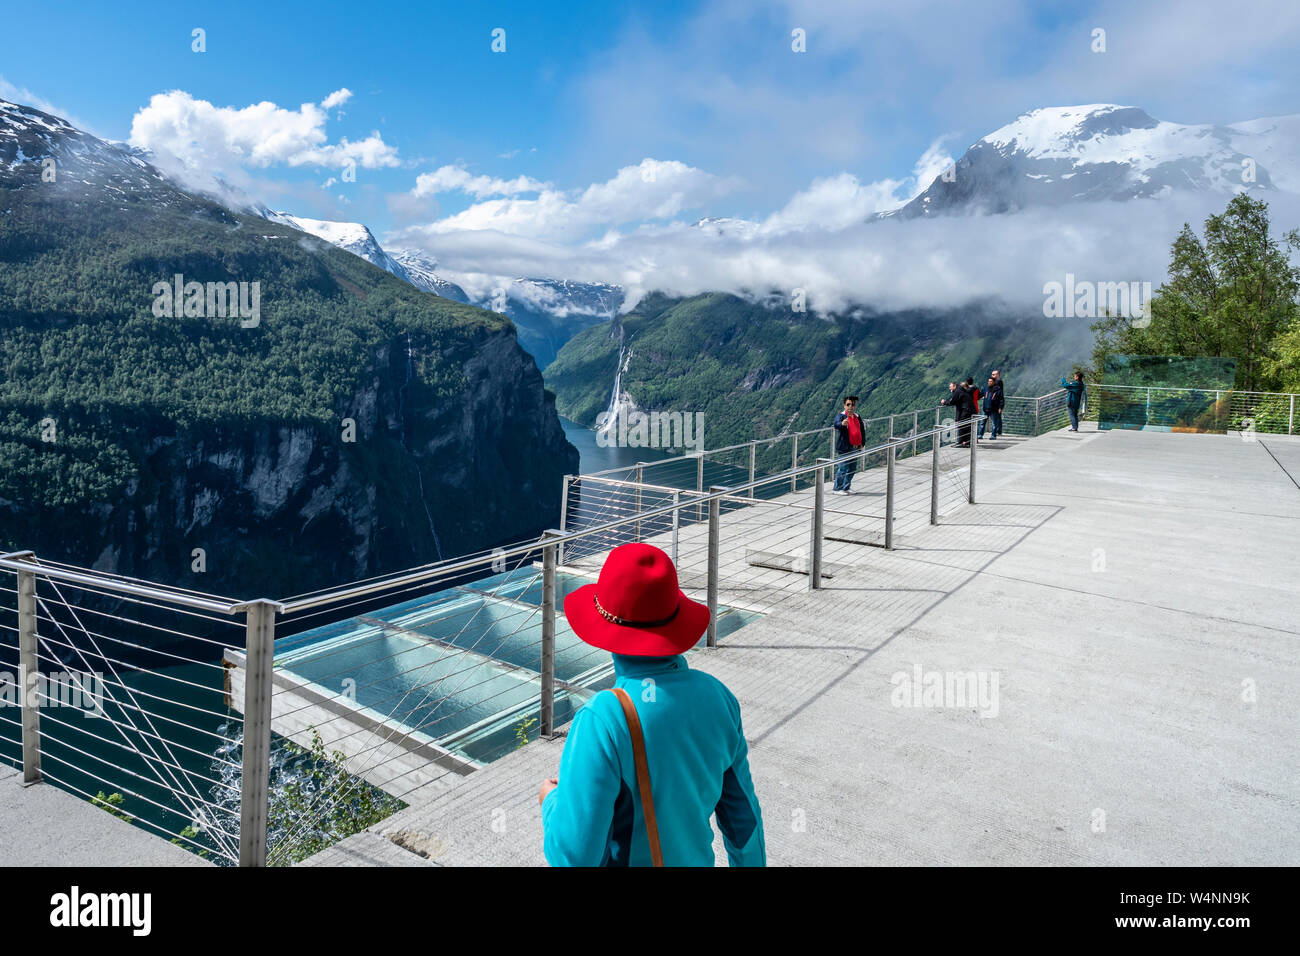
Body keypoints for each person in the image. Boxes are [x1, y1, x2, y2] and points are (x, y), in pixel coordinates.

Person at [540, 543, 766, 867]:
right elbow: (744, 822)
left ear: (605, 627)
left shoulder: (602, 719)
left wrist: (551, 803)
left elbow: (574, 856)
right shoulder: (718, 697)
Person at [831, 395, 865, 495]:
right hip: (844, 448)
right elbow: (836, 424)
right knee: (843, 468)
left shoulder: (857, 416)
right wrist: (842, 424)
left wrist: (862, 443)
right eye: (848, 404)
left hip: (855, 446)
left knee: (852, 468)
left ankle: (846, 487)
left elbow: (861, 430)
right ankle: (837, 489)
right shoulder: (841, 416)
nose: (850, 406)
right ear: (844, 405)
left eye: (853, 404)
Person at [942, 381, 975, 446]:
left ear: (954, 386)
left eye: (950, 387)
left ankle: (960, 442)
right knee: (967, 426)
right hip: (969, 410)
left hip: (965, 410)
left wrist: (944, 402)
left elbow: (952, 402)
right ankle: (967, 442)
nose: (949, 388)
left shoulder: (957, 391)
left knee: (961, 425)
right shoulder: (962, 390)